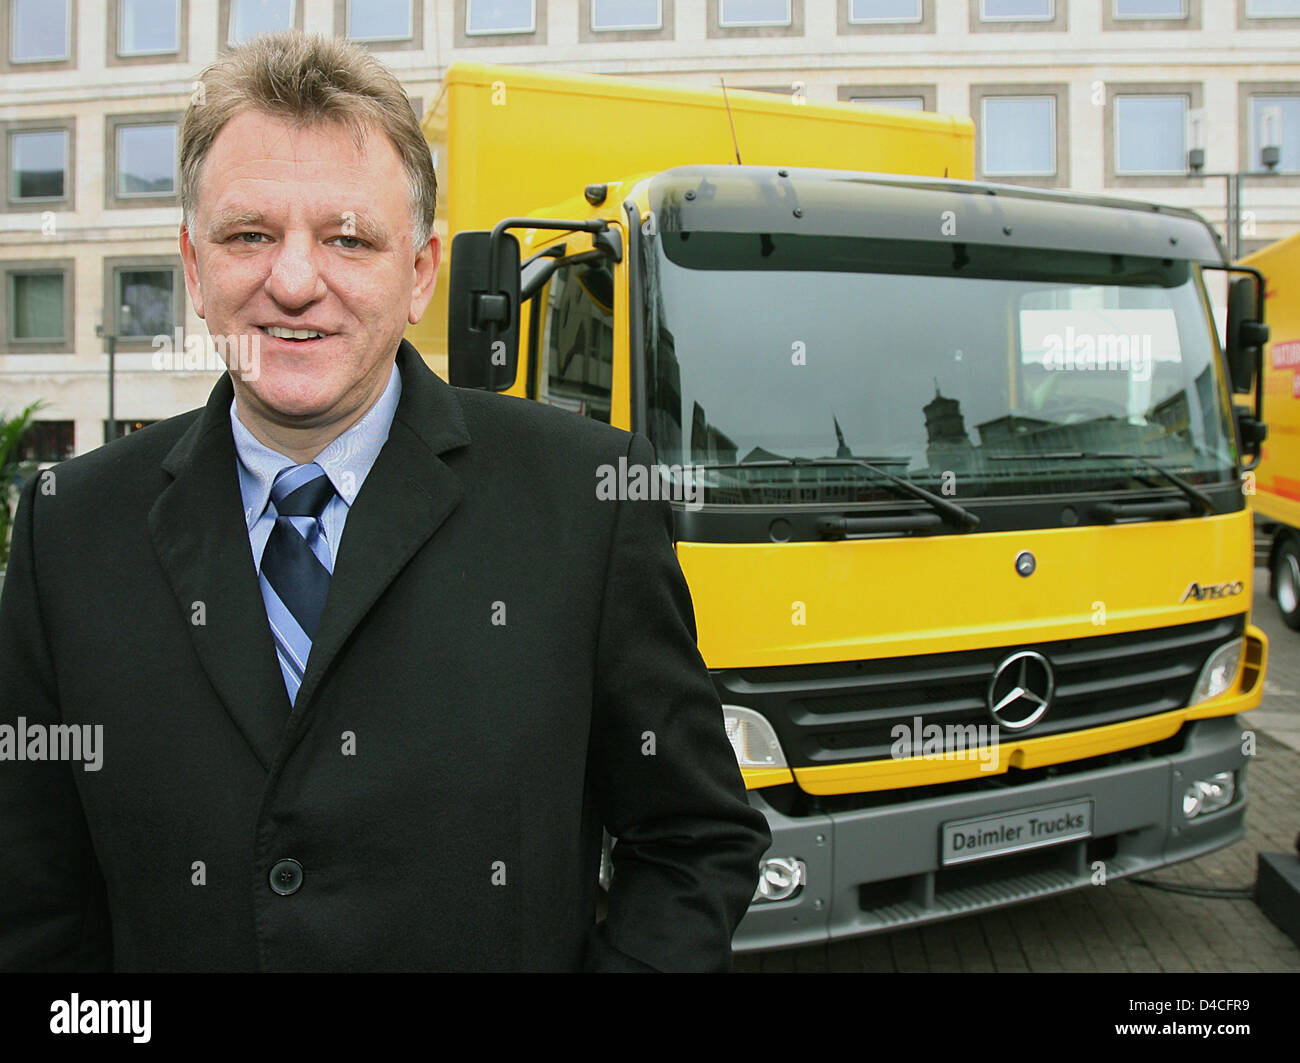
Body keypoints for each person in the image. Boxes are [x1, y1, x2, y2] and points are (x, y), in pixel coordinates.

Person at [0, 31, 769, 973]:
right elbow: (35, 904)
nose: (292, 280)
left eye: (347, 237)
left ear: (419, 273)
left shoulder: (588, 500)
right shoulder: (68, 527)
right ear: (195, 271)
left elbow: (694, 839)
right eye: (249, 234)